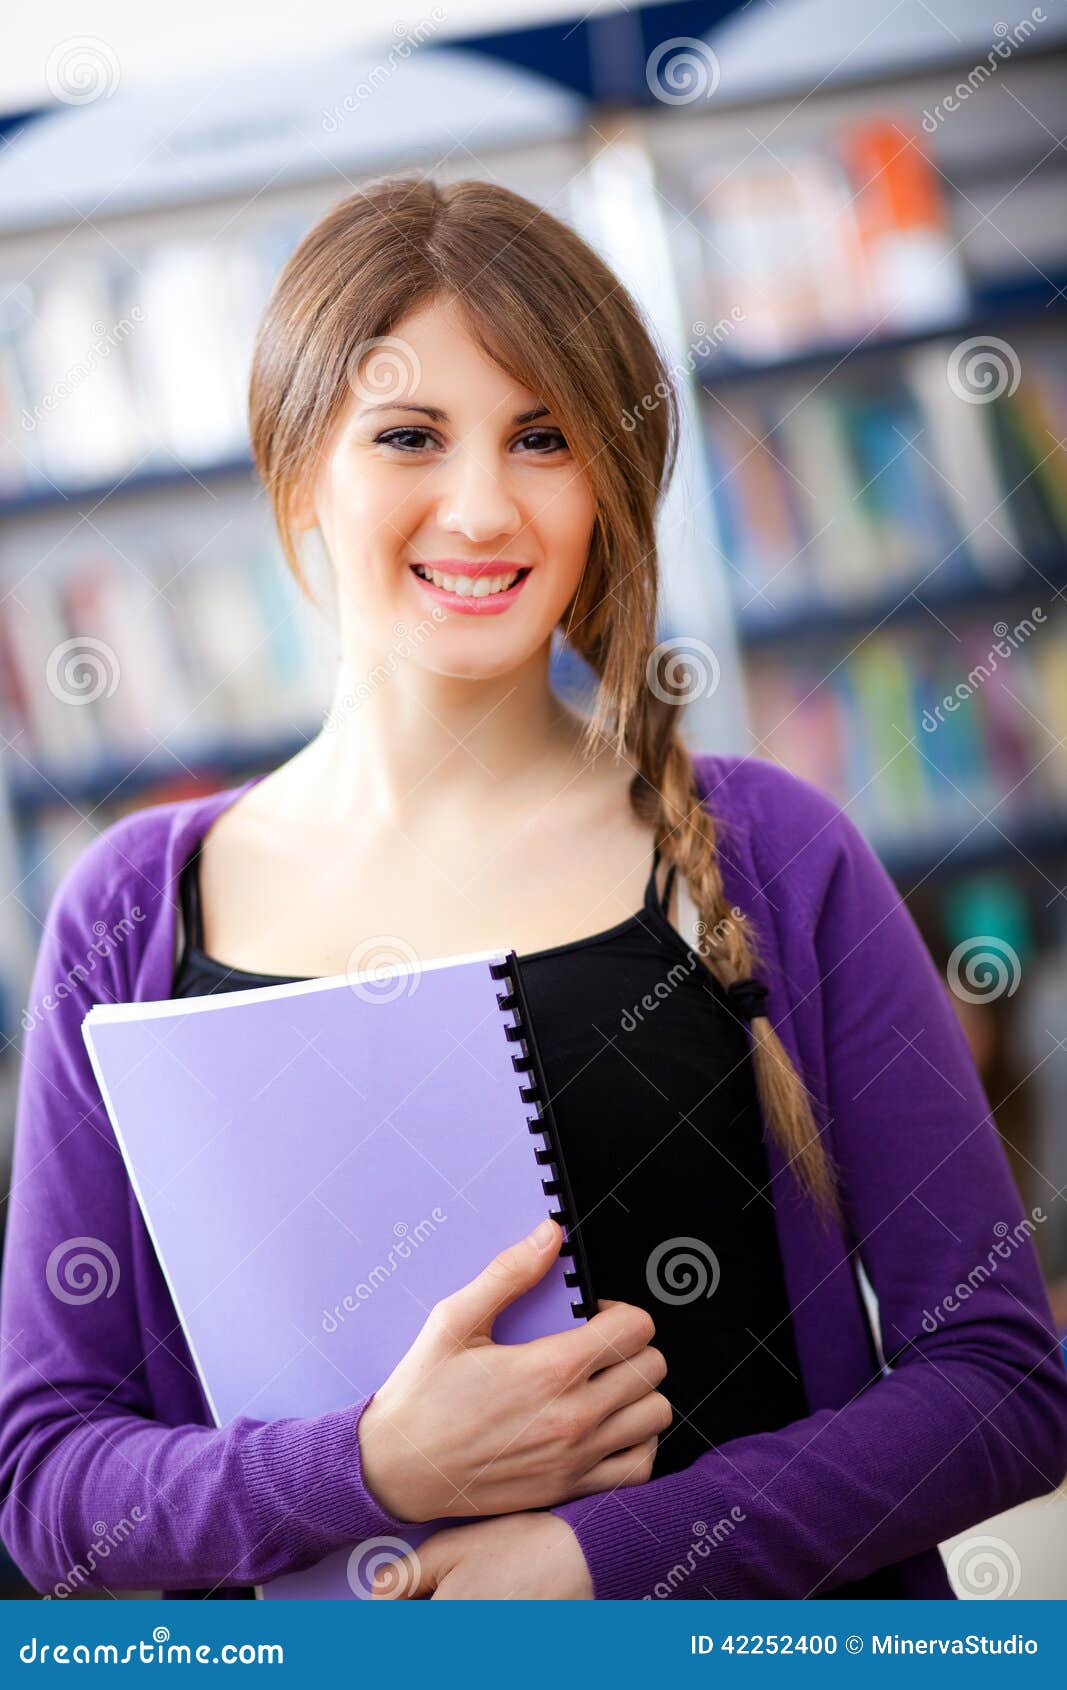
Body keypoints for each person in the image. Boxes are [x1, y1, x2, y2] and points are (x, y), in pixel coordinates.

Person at [1, 177, 1065, 1602]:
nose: (484, 505)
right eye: (410, 436)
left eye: (545, 437)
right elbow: (50, 1484)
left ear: (611, 480)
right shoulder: (132, 909)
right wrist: (372, 1465)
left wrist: (596, 1557)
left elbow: (1003, 1382)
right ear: (300, 464)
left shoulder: (774, 852)